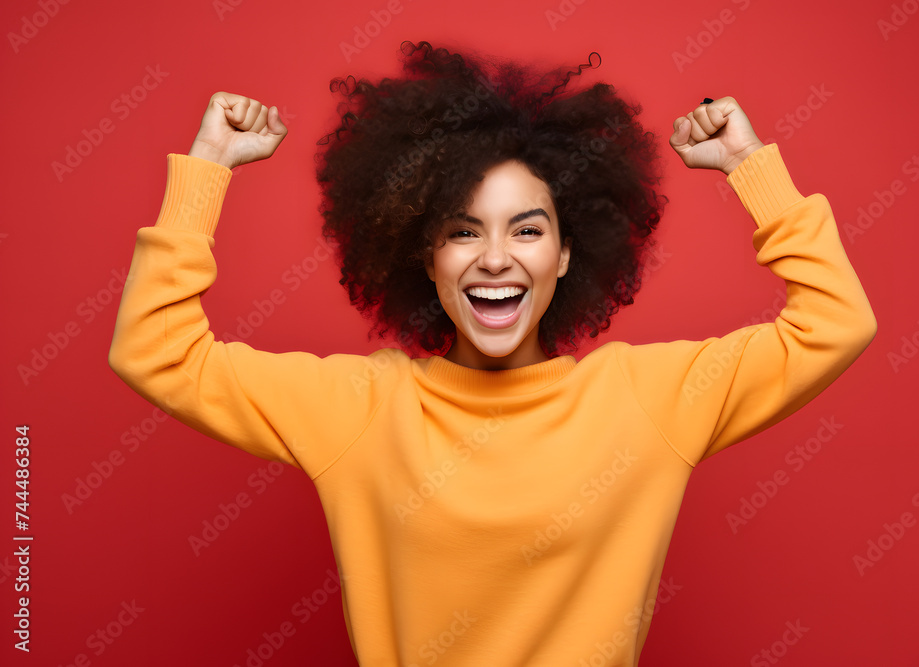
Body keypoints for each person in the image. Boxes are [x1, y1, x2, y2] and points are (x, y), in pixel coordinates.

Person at [109, 40, 876, 666]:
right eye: (464, 230)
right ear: (426, 257)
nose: (496, 258)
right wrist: (208, 167)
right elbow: (155, 348)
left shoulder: (648, 398)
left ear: (569, 256)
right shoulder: (360, 410)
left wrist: (752, 168)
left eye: (528, 229)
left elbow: (836, 321)